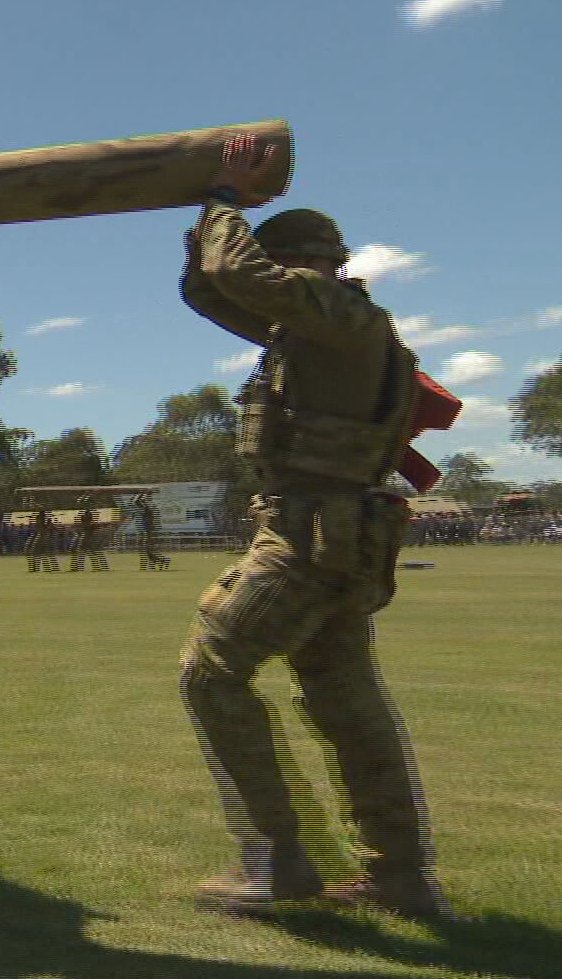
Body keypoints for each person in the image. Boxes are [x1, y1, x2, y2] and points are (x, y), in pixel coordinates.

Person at [178, 135, 437, 918]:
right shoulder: (336, 328)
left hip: (308, 536)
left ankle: (285, 862)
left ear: (297, 265)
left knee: (211, 673)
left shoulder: (331, 313)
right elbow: (212, 291)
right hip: (342, 540)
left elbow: (236, 276)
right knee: (345, 703)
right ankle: (395, 876)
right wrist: (206, 231)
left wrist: (226, 199)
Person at [67, 505, 110, 572]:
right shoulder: (88, 522)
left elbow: (83, 526)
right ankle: (95, 567)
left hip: (86, 539)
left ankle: (77, 568)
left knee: (84, 553)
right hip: (86, 538)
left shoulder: (87, 522)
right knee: (88, 553)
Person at [134, 493, 169, 571]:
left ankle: (161, 561)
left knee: (147, 550)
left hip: (148, 532)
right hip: (148, 532)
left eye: (143, 500)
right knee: (147, 550)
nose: (142, 502)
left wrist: (140, 494)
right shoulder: (149, 508)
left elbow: (135, 501)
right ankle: (161, 561)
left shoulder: (146, 508)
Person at [25, 508, 59, 573]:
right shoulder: (43, 522)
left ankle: (36, 568)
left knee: (37, 553)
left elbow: (45, 530)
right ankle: (39, 568)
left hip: (42, 538)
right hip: (42, 538)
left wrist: (49, 524)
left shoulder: (44, 522)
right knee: (42, 554)